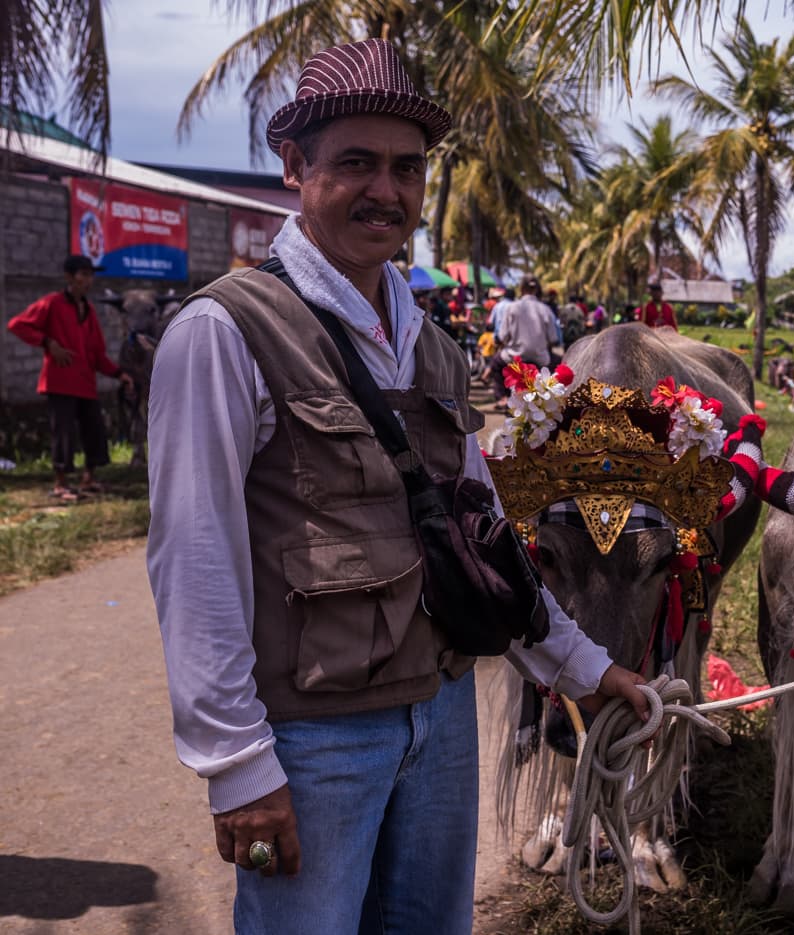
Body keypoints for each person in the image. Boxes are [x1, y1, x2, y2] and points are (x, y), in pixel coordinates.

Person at [144, 38, 648, 935]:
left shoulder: (434, 347)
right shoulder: (224, 331)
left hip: (442, 716)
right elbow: (195, 562)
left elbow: (482, 534)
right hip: (313, 741)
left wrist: (584, 668)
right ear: (294, 165)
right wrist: (237, 768)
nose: (388, 190)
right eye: (357, 163)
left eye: (407, 168)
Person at [7, 254, 133, 501]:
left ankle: (89, 479)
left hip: (85, 383)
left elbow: (97, 354)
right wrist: (48, 342)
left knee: (94, 430)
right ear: (69, 277)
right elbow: (17, 324)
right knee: (63, 434)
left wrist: (120, 374)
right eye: (83, 275)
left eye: (90, 275)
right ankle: (61, 483)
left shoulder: (90, 311)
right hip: (60, 382)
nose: (88, 280)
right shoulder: (52, 303)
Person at [489, 275, 558, 409]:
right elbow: (553, 339)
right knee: (560, 367)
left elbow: (502, 336)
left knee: (495, 364)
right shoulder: (545, 309)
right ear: (537, 289)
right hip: (540, 359)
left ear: (521, 289)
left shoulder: (512, 307)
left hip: (514, 358)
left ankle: (502, 398)